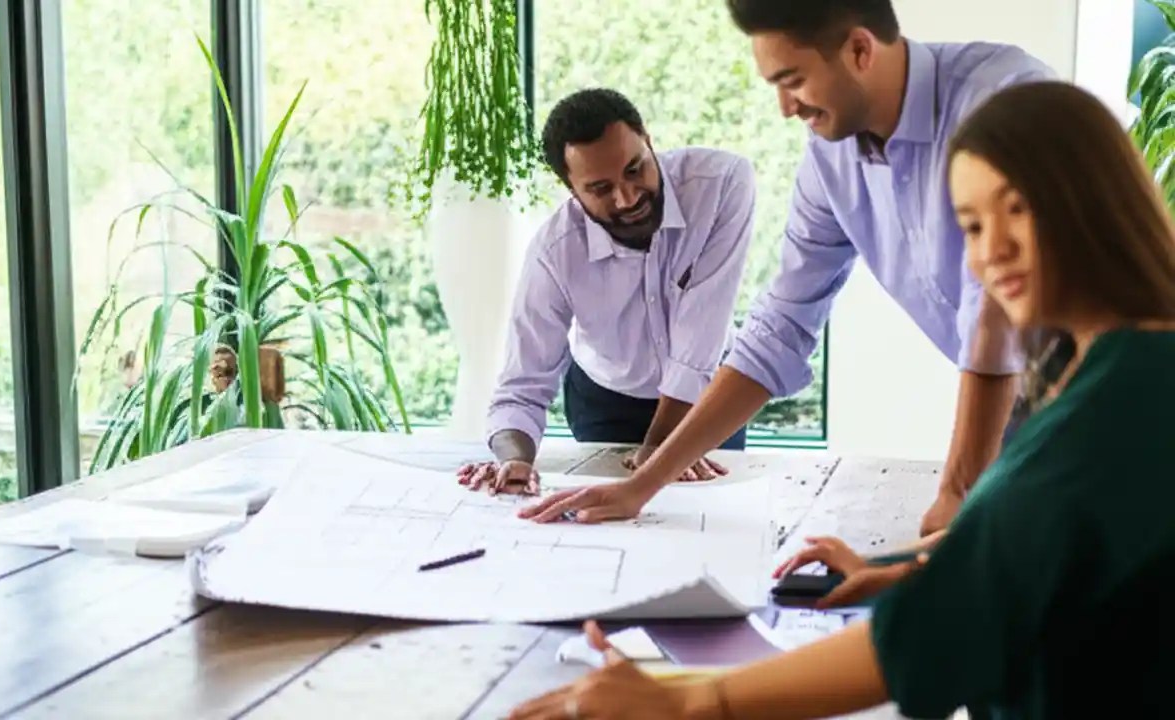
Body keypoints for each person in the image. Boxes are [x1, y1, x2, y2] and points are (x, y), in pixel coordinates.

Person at [507, 79, 1175, 720]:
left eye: (1017, 210)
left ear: (1093, 197)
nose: (989, 253)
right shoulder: (1095, 371)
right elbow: (1046, 544)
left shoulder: (1126, 395)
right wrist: (911, 565)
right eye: (971, 226)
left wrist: (685, 704)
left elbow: (932, 633)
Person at [519, 0, 1056, 533]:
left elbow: (994, 318)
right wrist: (644, 484)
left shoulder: (1001, 101)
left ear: (859, 49)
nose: (785, 107)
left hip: (1092, 402)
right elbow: (780, 328)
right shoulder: (831, 159)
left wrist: (958, 494)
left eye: (792, 81)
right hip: (1021, 420)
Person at [457, 88, 757, 495]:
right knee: (614, 520)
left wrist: (661, 450)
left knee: (709, 507)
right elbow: (521, 387)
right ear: (572, 190)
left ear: (648, 141)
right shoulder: (554, 252)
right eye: (600, 189)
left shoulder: (721, 184)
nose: (627, 198)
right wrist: (514, 461)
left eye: (635, 169)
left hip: (706, 396)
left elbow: (700, 334)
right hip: (606, 401)